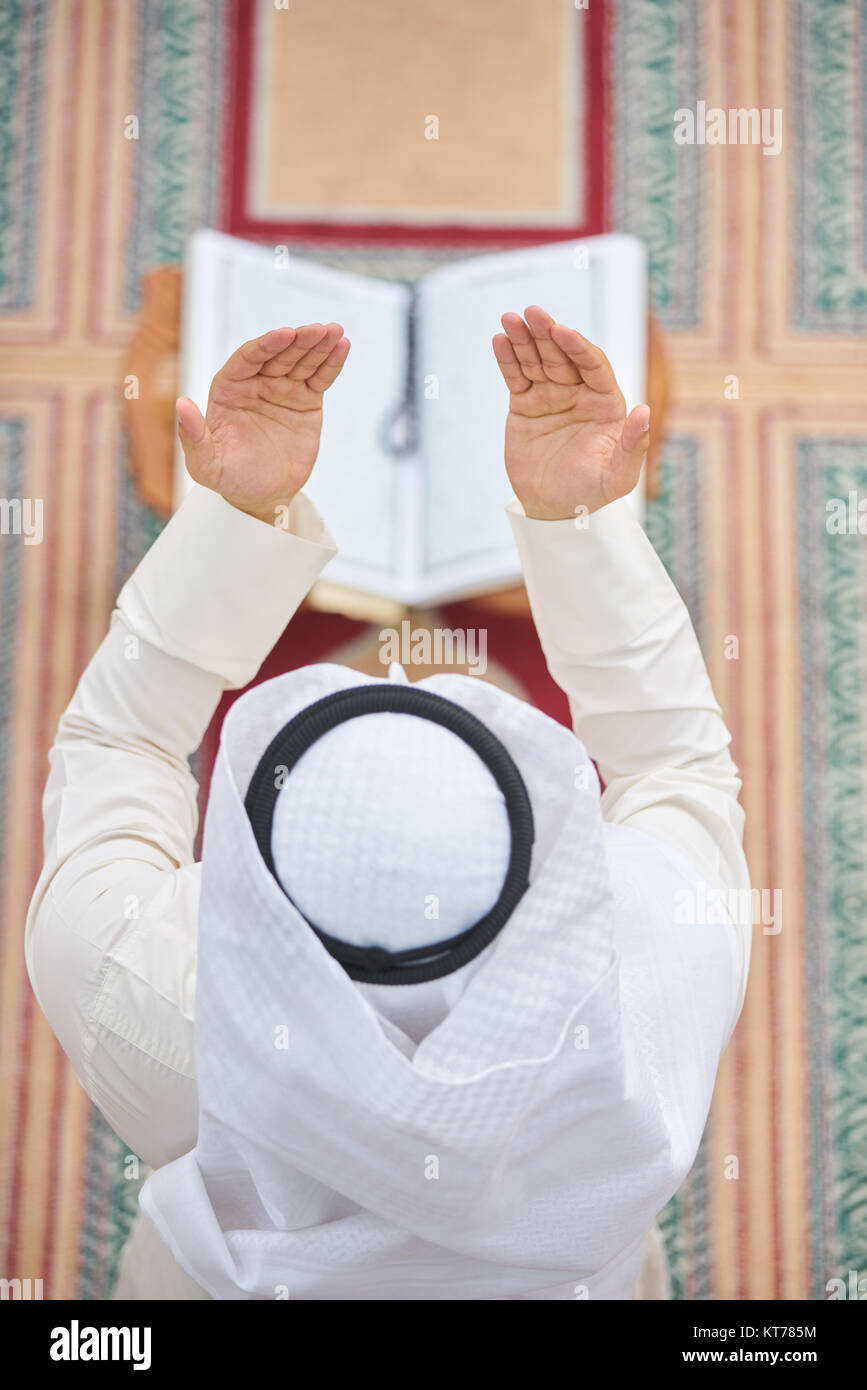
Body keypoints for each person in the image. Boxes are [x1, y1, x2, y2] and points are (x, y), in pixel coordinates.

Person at [25, 308, 750, 1301]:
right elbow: (676, 762)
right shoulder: (653, 960)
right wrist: (575, 520)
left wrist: (236, 516)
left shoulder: (145, 977)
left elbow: (118, 742)